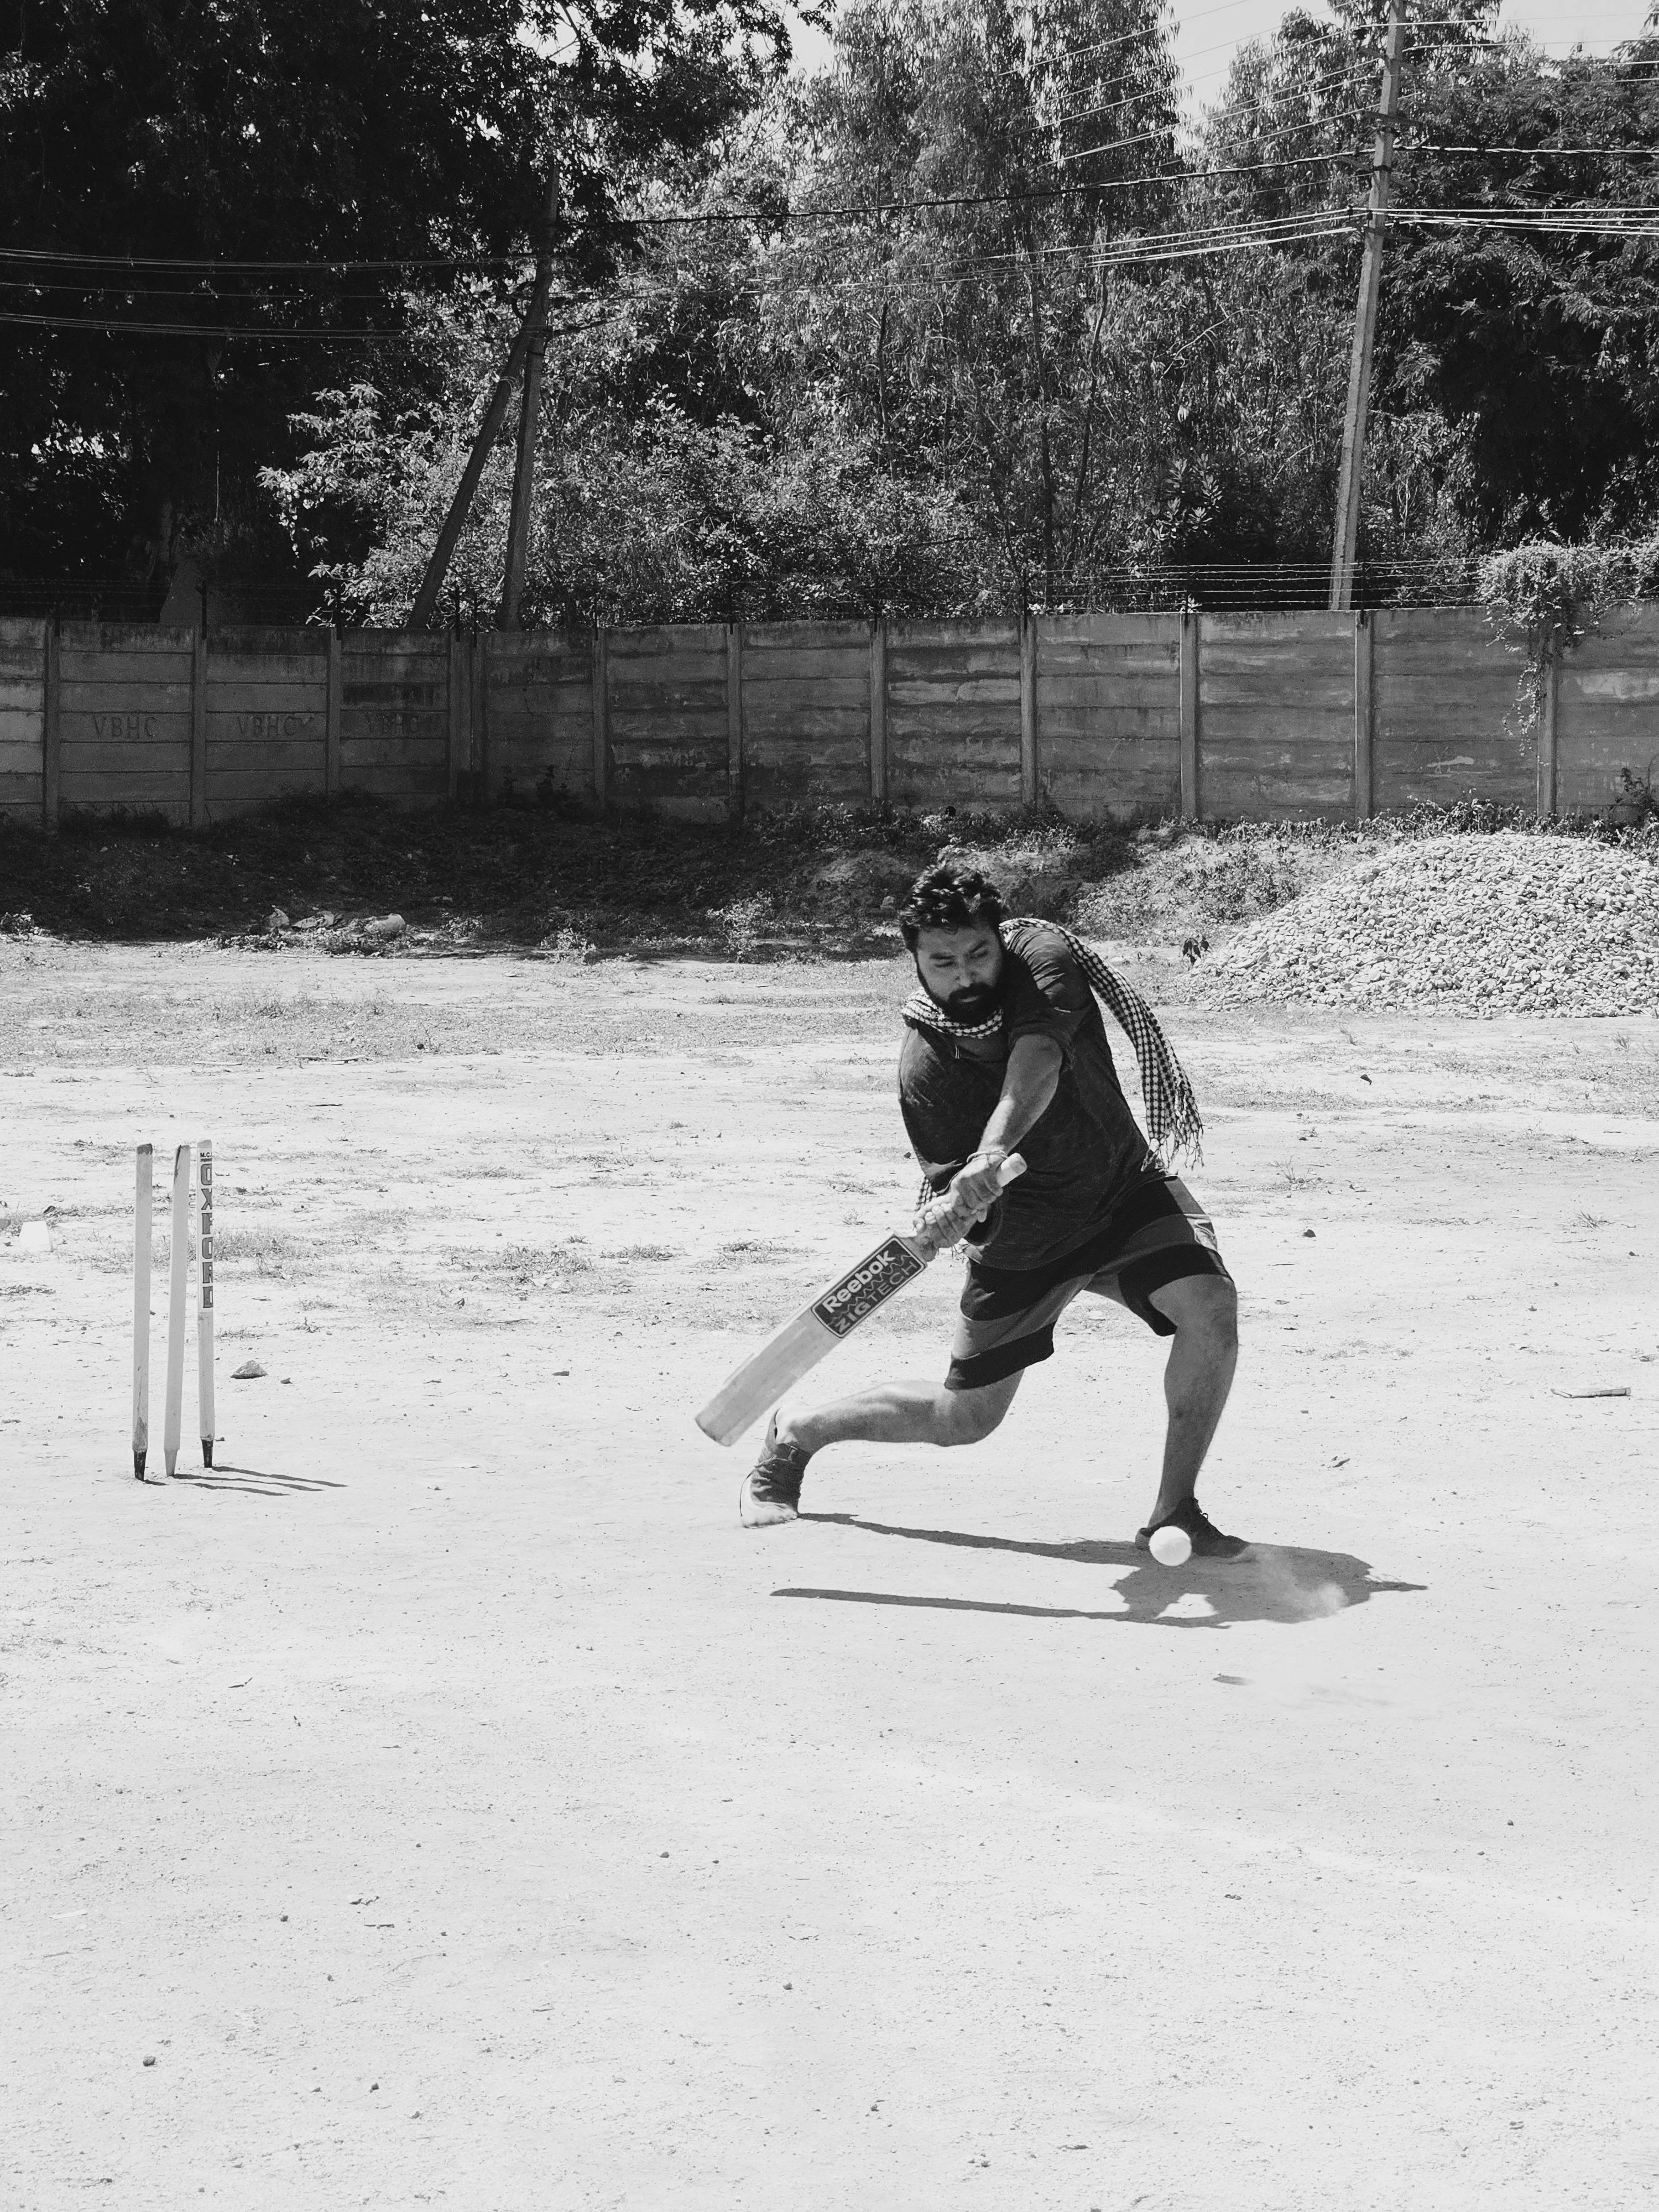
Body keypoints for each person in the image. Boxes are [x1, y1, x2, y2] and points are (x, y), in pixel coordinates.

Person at [739, 862, 1246, 1557]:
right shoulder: (925, 1069)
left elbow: (1038, 1057)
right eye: (943, 962)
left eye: (979, 954)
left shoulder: (1042, 956)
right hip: (1028, 1241)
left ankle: (1174, 1510)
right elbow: (963, 1197)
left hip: (1123, 1193)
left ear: (999, 943)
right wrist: (959, 1213)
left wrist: (991, 1153)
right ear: (914, 961)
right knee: (964, 1418)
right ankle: (802, 1429)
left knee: (1211, 1305)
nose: (966, 975)